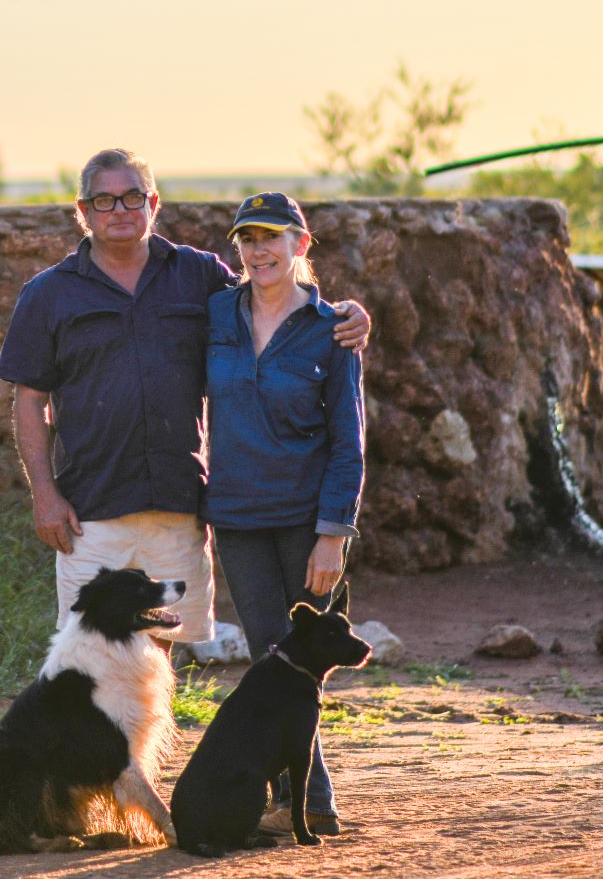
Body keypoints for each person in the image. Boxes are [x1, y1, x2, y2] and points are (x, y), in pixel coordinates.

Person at [0, 150, 371, 654]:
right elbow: (29, 398)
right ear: (82, 211)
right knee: (86, 655)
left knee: (161, 656)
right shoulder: (48, 294)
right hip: (90, 508)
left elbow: (274, 294)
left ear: (153, 203)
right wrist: (44, 493)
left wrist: (346, 315)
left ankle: (158, 737)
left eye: (132, 197)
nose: (120, 210)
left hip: (178, 503)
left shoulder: (197, 277)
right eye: (104, 201)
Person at [205, 188, 366, 837]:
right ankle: (300, 802)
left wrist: (332, 535)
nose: (258, 249)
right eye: (247, 238)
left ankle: (309, 801)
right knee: (273, 660)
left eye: (271, 237)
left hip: (306, 520)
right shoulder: (215, 311)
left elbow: (349, 441)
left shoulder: (332, 330)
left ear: (300, 245)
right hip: (237, 517)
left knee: (299, 656)